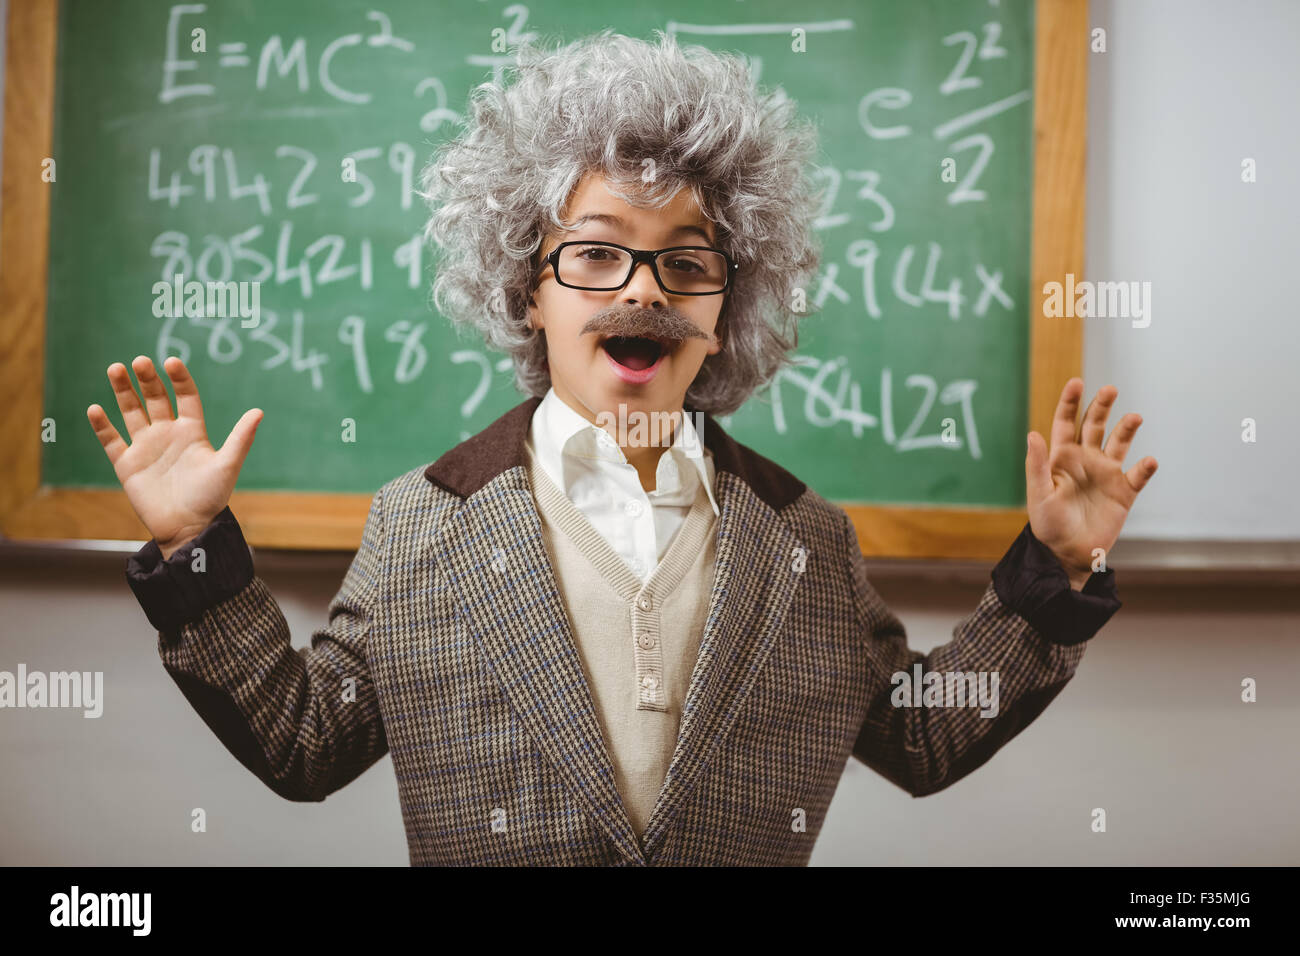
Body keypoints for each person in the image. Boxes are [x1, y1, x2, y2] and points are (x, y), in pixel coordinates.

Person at [85, 31, 1157, 866]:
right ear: (528, 290)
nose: (643, 289)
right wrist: (192, 545)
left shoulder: (807, 545)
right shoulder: (422, 526)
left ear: (728, 311)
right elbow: (304, 740)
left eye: (686, 263)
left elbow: (918, 738)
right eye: (595, 255)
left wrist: (1056, 568)